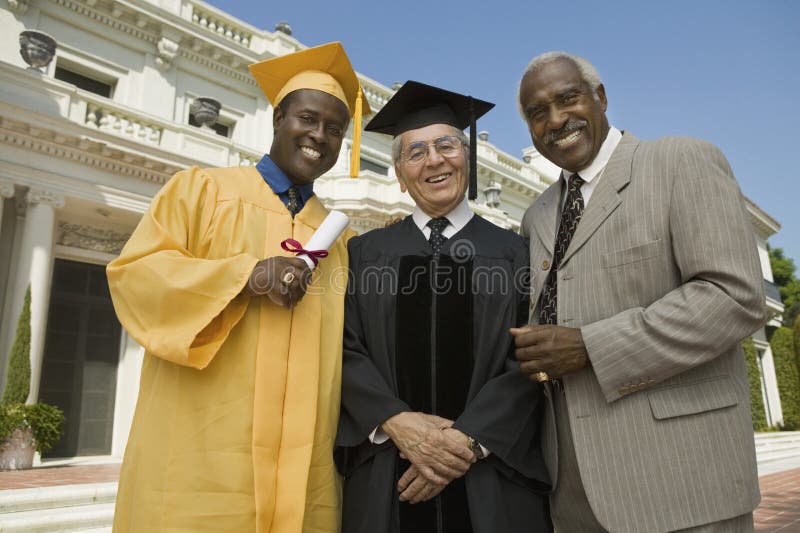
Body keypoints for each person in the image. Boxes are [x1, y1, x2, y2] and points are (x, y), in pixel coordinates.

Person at [107, 42, 370, 532]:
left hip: (304, 472)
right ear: (277, 119)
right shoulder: (202, 192)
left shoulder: (343, 242)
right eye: (307, 119)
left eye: (335, 129)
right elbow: (137, 275)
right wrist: (246, 276)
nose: (319, 136)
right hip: (198, 467)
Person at [511, 51, 766, 532]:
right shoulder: (537, 215)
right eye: (537, 113)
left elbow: (734, 297)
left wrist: (590, 345)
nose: (556, 119)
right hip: (573, 493)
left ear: (601, 97)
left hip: (682, 484)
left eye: (568, 99)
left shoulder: (678, 161)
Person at [335, 80, 552, 533]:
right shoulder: (364, 253)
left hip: (490, 473)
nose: (433, 160)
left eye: (446, 145)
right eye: (415, 152)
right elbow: (343, 350)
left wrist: (465, 442)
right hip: (386, 469)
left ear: (466, 158)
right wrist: (394, 422)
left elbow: (530, 357)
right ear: (399, 174)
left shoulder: (516, 252)